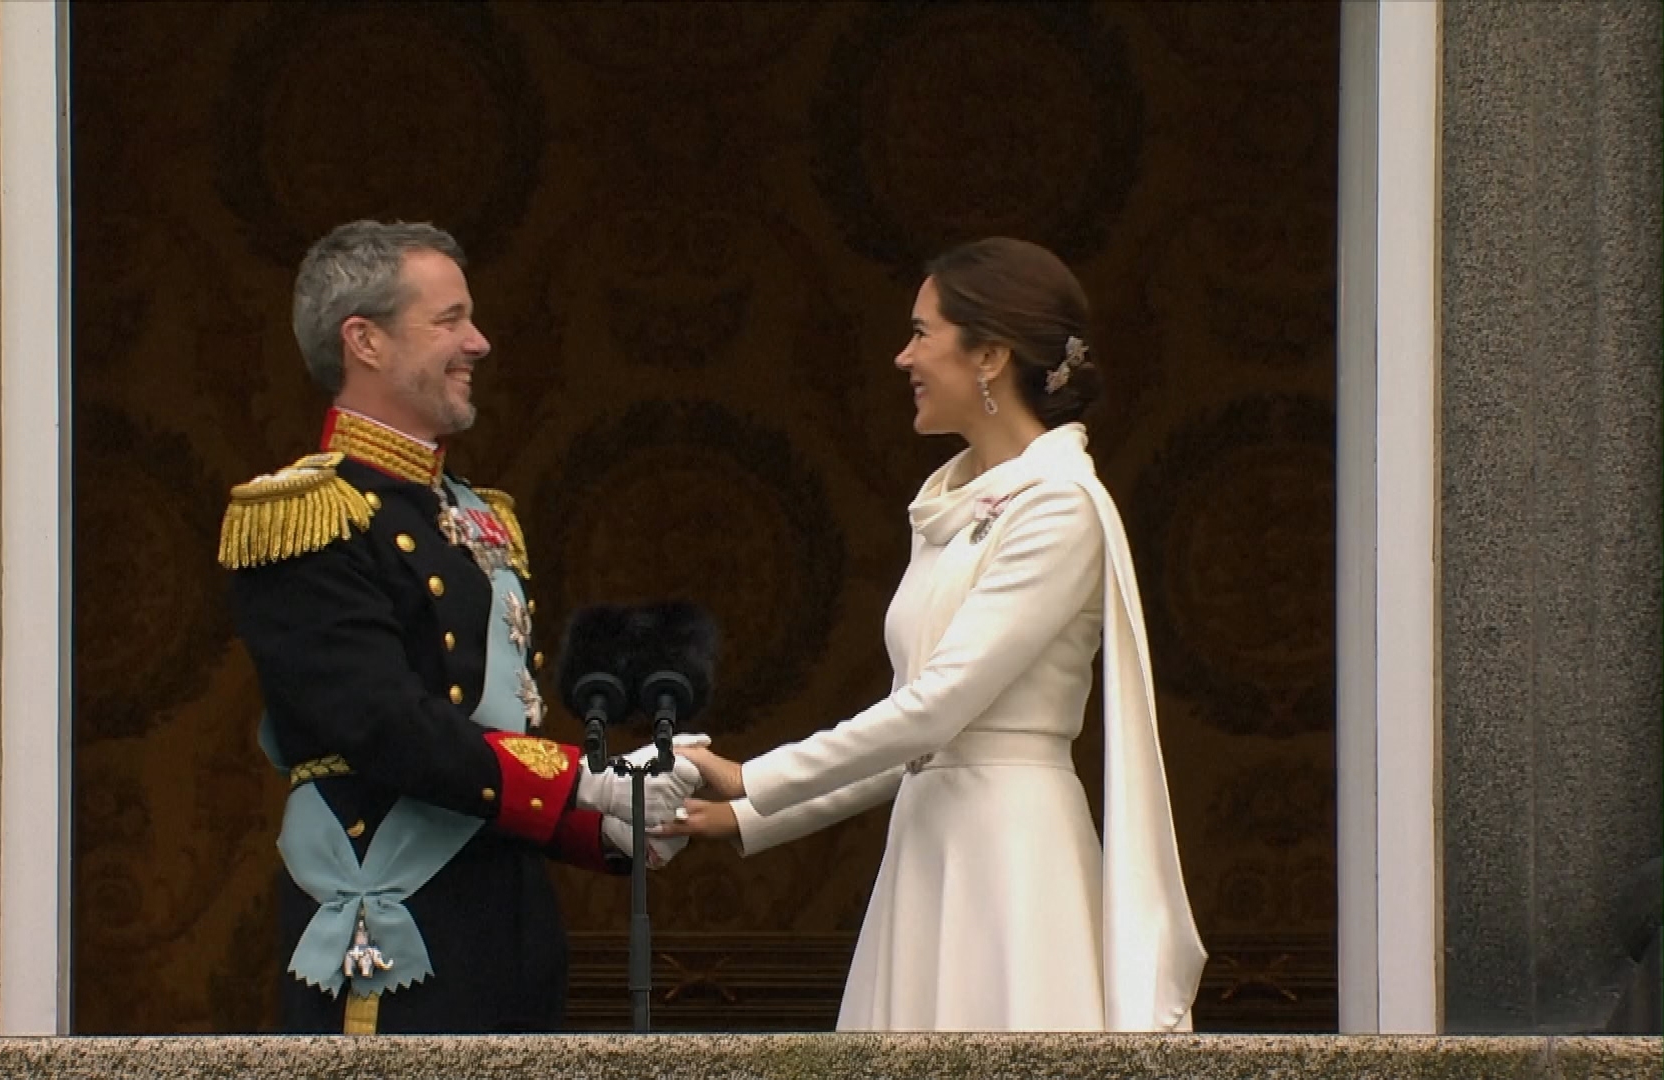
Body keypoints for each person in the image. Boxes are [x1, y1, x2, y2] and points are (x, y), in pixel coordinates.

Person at [656, 238, 1206, 1032]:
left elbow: (938, 708)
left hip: (1011, 856)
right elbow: (915, 738)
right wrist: (744, 818)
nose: (901, 356)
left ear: (988, 353)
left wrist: (750, 777)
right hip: (929, 843)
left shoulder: (1057, 506)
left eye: (921, 332)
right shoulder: (954, 508)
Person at [222, 220, 698, 1035]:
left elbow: (490, 736)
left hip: (503, 924)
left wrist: (616, 824)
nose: (477, 342)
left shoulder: (474, 515)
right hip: (395, 934)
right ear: (364, 340)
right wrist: (583, 782)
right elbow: (381, 725)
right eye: (448, 321)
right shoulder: (307, 513)